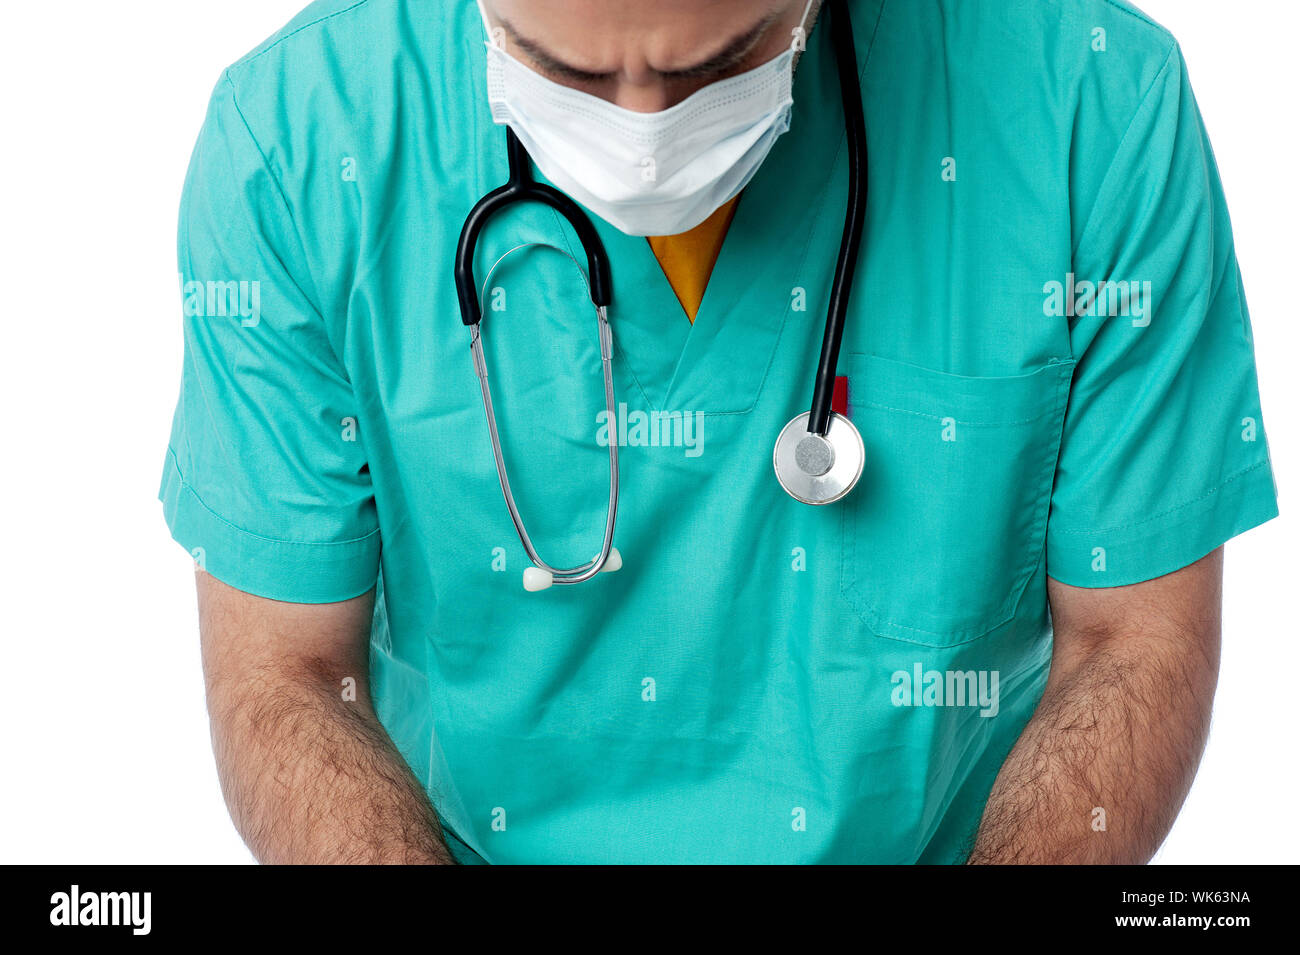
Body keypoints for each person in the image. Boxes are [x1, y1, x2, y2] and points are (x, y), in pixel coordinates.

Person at [160, 0, 1279, 864]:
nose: (642, 135)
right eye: (567, 74)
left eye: (719, 61)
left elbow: (1132, 640)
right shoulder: (300, 141)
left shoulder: (1089, 103)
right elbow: (287, 675)